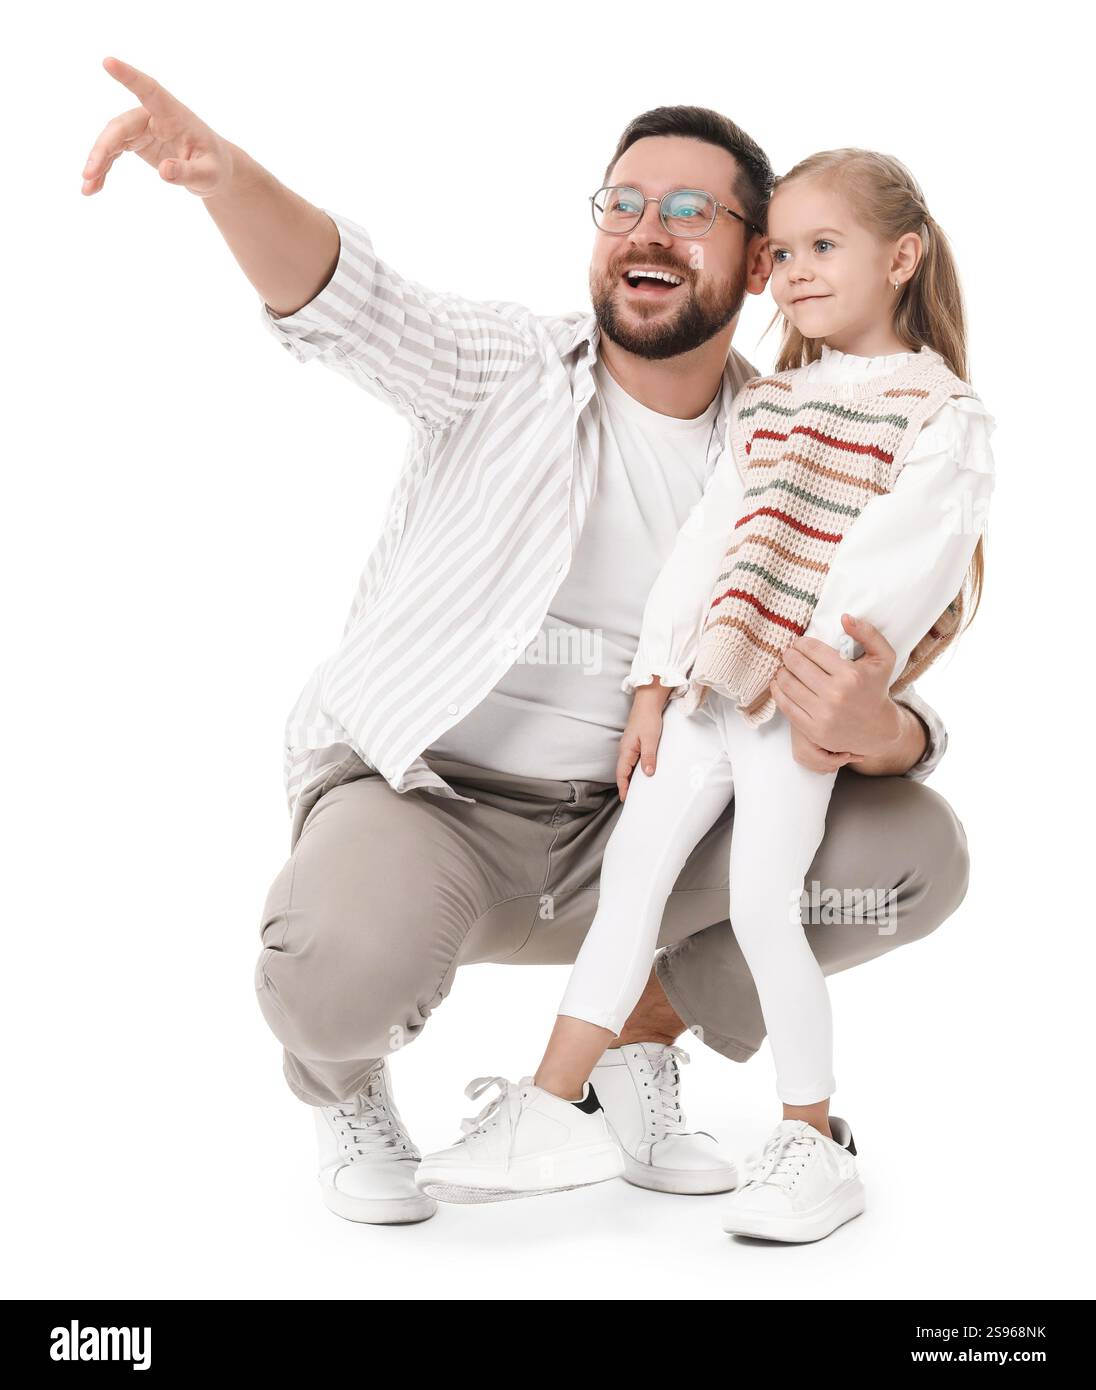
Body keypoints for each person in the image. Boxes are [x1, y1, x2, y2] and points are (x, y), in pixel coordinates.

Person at [82, 61, 972, 1227]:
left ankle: (636, 1041)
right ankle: (343, 1081)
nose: (646, 230)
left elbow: (877, 632)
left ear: (758, 263)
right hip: (436, 810)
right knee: (334, 976)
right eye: (622, 204)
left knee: (907, 861)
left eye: (690, 211)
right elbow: (351, 301)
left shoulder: (793, 431)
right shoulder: (502, 368)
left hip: (639, 824)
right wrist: (226, 179)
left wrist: (887, 730)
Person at [413, 150, 996, 1243]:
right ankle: (550, 1109)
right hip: (706, 692)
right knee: (629, 886)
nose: (797, 270)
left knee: (768, 909)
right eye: (784, 251)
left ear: (901, 257)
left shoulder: (936, 414)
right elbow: (704, 548)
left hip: (797, 705)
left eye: (825, 246)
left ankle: (810, 1140)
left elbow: (896, 570)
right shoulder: (770, 404)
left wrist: (825, 683)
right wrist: (652, 680)